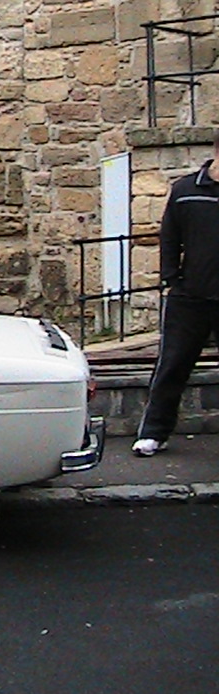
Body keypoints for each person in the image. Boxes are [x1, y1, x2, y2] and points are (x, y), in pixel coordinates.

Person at [133, 131, 219, 457]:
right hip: (190, 299)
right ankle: (154, 433)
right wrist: (172, 279)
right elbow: (170, 238)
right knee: (172, 366)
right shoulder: (185, 191)